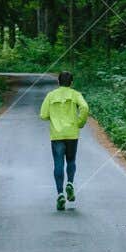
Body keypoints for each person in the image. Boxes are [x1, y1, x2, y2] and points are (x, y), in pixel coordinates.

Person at [38, 71, 89, 211]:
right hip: (72, 134)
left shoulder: (51, 95)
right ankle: (70, 184)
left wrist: (54, 118)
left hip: (57, 135)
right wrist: (79, 122)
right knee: (71, 161)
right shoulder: (75, 94)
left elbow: (43, 115)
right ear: (71, 83)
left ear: (58, 82)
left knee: (58, 163)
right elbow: (84, 107)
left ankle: (60, 194)